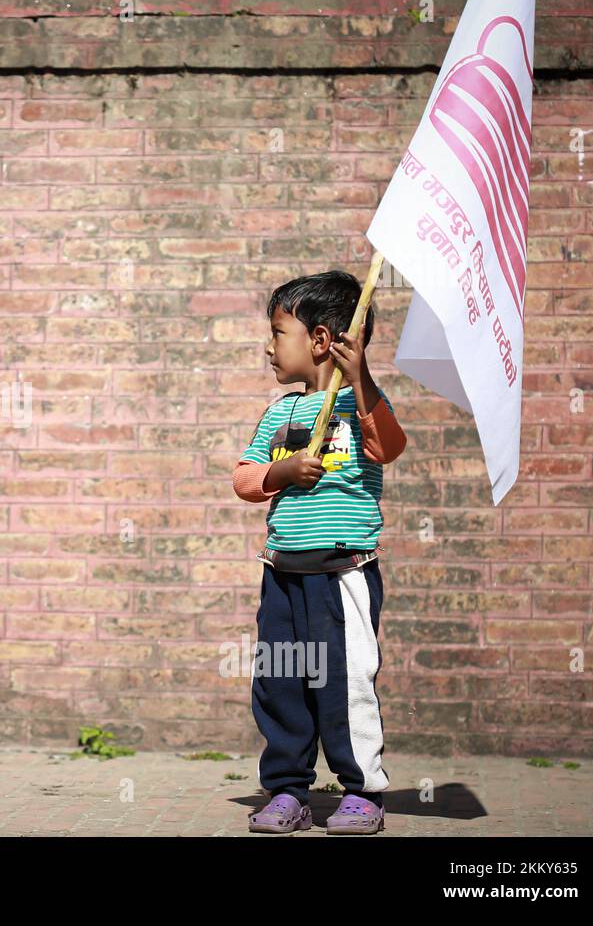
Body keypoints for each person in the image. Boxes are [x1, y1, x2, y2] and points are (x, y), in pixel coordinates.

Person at [233, 270, 406, 834]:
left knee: (346, 681)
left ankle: (364, 792)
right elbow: (245, 478)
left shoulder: (363, 408)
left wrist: (363, 383)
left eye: (279, 332)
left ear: (321, 340)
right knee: (279, 680)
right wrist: (281, 470)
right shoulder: (282, 414)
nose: (269, 345)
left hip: (342, 575)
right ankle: (287, 790)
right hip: (282, 575)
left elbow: (389, 447)